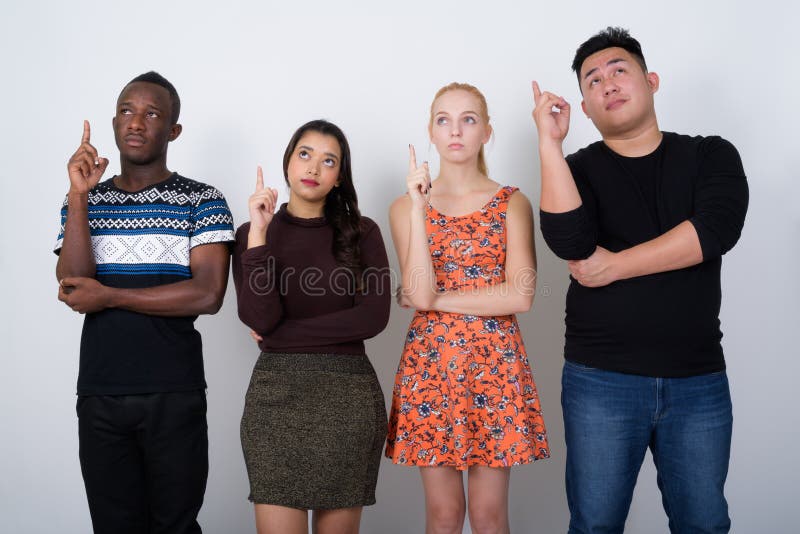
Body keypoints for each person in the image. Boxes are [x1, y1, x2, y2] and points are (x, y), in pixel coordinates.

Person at [532, 27, 749, 533]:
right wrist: (548, 142)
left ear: (651, 81)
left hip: (697, 379)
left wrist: (615, 265)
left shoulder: (710, 155)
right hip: (600, 380)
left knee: (705, 524)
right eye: (592, 81)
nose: (606, 83)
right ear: (584, 106)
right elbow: (569, 242)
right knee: (595, 525)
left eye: (618, 70)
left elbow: (714, 230)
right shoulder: (577, 170)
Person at [55, 71, 235, 533]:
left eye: (151, 113)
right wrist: (79, 196)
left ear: (173, 130)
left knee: (175, 525)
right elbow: (74, 285)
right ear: (114, 123)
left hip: (173, 391)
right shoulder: (84, 201)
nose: (136, 122)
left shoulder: (203, 201)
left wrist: (110, 295)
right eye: (126, 111)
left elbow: (208, 294)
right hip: (100, 390)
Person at [386, 82, 550, 534]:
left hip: (494, 365)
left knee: (489, 515)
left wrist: (436, 300)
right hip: (432, 366)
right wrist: (420, 208)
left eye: (468, 119)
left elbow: (520, 294)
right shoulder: (404, 208)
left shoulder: (512, 202)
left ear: (486, 132)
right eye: (444, 120)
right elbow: (419, 290)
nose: (455, 130)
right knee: (442, 516)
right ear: (431, 132)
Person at [232, 119, 391, 534]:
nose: (314, 168)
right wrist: (261, 235)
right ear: (288, 161)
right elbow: (259, 317)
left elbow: (373, 317)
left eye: (328, 161)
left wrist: (281, 338)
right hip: (274, 400)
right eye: (305, 154)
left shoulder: (363, 232)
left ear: (339, 177)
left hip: (348, 400)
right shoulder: (252, 233)